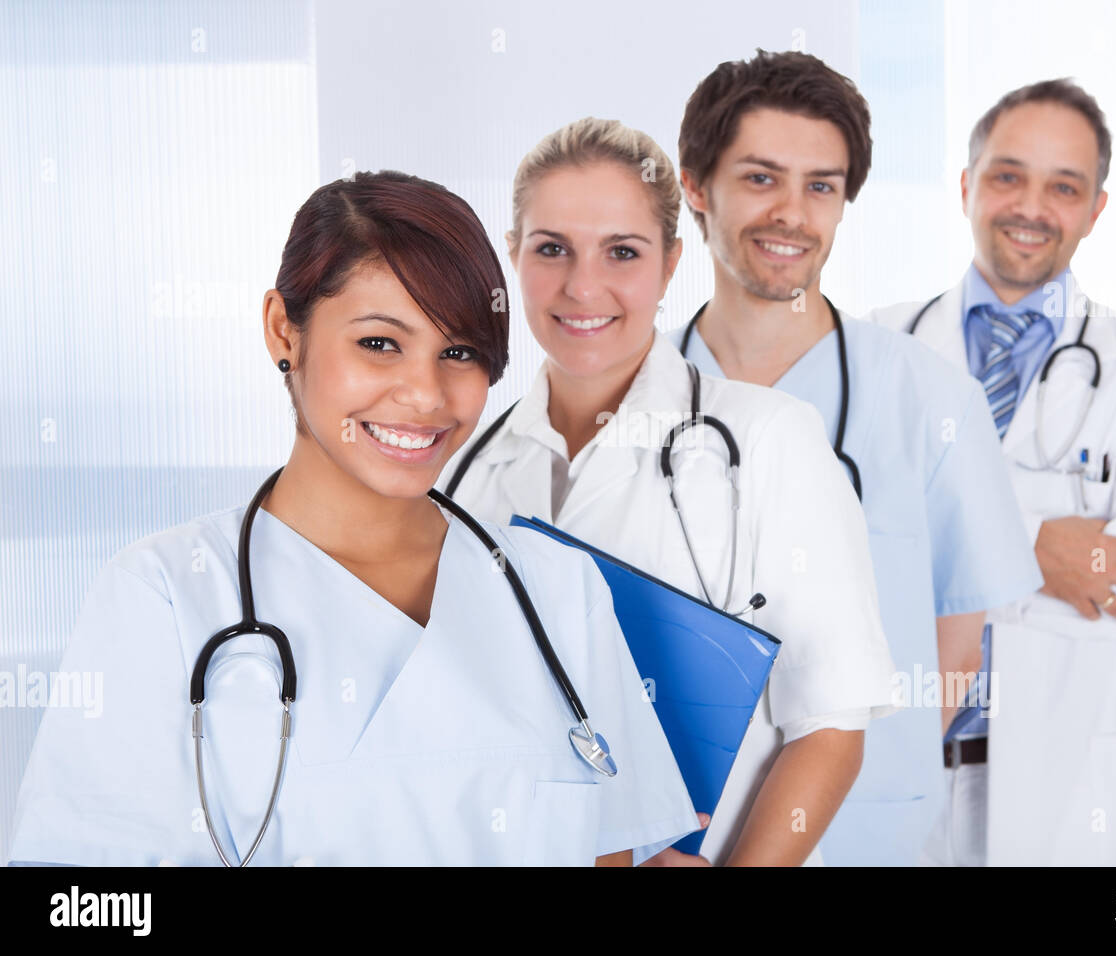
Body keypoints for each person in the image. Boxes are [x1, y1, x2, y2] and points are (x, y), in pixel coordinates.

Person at [7, 171, 699, 867]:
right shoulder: (164, 593)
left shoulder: (555, 588)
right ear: (285, 330)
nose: (426, 395)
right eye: (379, 343)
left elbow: (611, 850)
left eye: (458, 353)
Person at [441, 118, 897, 866]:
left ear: (670, 263)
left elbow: (832, 727)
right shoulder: (465, 476)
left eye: (622, 252)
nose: (583, 286)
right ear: (514, 259)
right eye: (551, 248)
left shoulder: (768, 441)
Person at [673, 49, 1042, 865]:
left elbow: (955, 647)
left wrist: (888, 765)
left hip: (866, 833)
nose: (792, 215)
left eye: (822, 186)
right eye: (761, 178)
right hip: (674, 838)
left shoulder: (928, 395)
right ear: (696, 187)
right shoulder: (637, 398)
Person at [869, 79, 1116, 866]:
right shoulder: (869, 352)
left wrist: (936, 549)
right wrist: (1040, 550)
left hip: (1073, 787)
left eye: (1064, 187)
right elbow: (834, 553)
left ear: (1095, 210)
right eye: (1007, 176)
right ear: (965, 186)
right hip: (891, 770)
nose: (1031, 205)